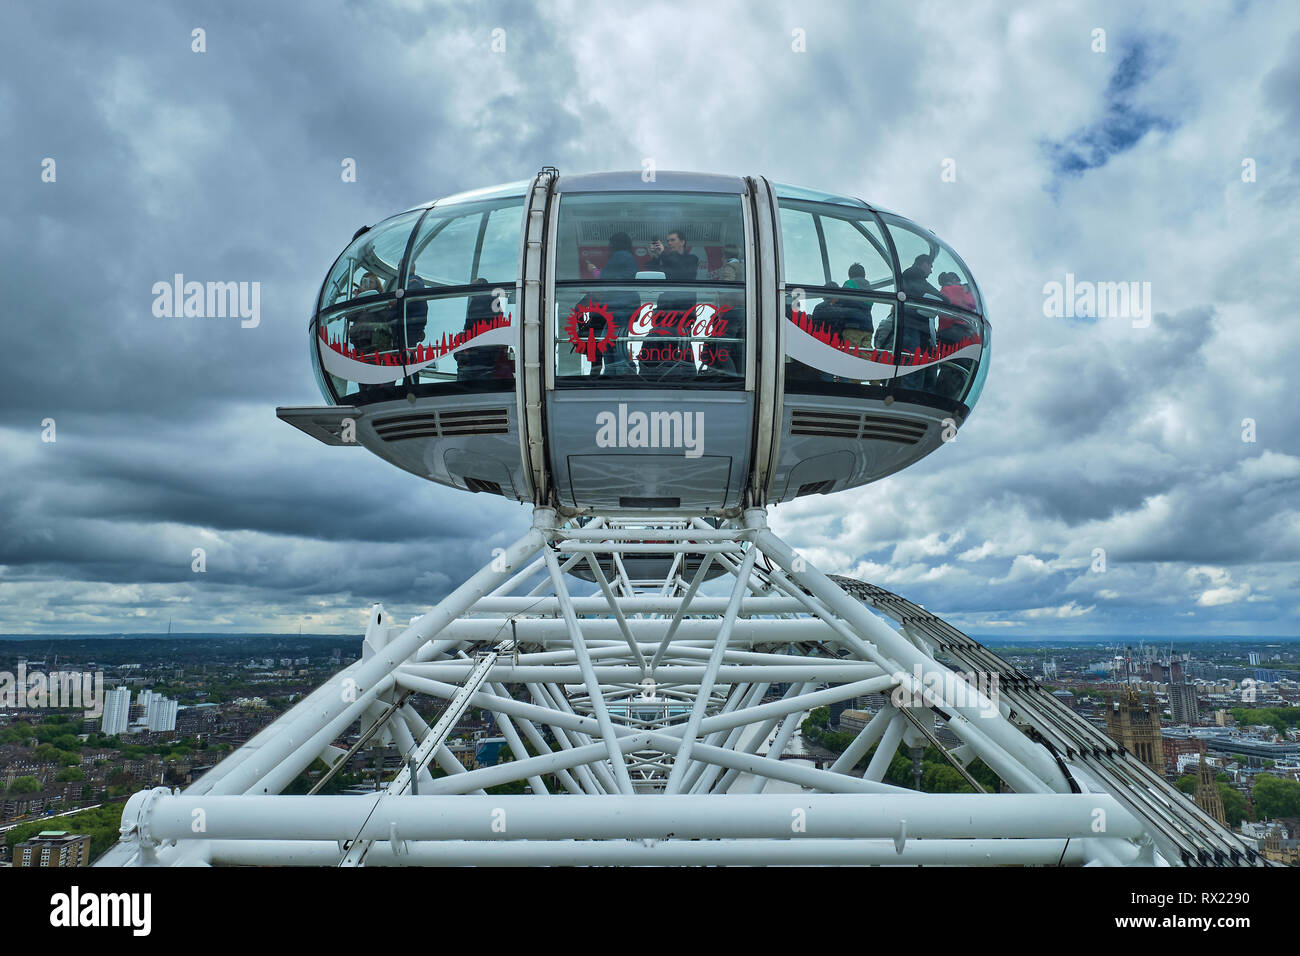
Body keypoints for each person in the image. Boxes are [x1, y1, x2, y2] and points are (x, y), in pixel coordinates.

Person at [640, 228, 699, 381]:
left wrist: (663, 255)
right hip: (665, 310)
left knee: (684, 344)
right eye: (668, 241)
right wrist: (655, 257)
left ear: (683, 241)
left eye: (672, 240)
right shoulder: (666, 258)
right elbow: (650, 272)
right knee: (664, 344)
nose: (669, 243)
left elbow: (681, 272)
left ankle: (690, 376)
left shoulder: (692, 259)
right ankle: (664, 373)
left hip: (683, 311)